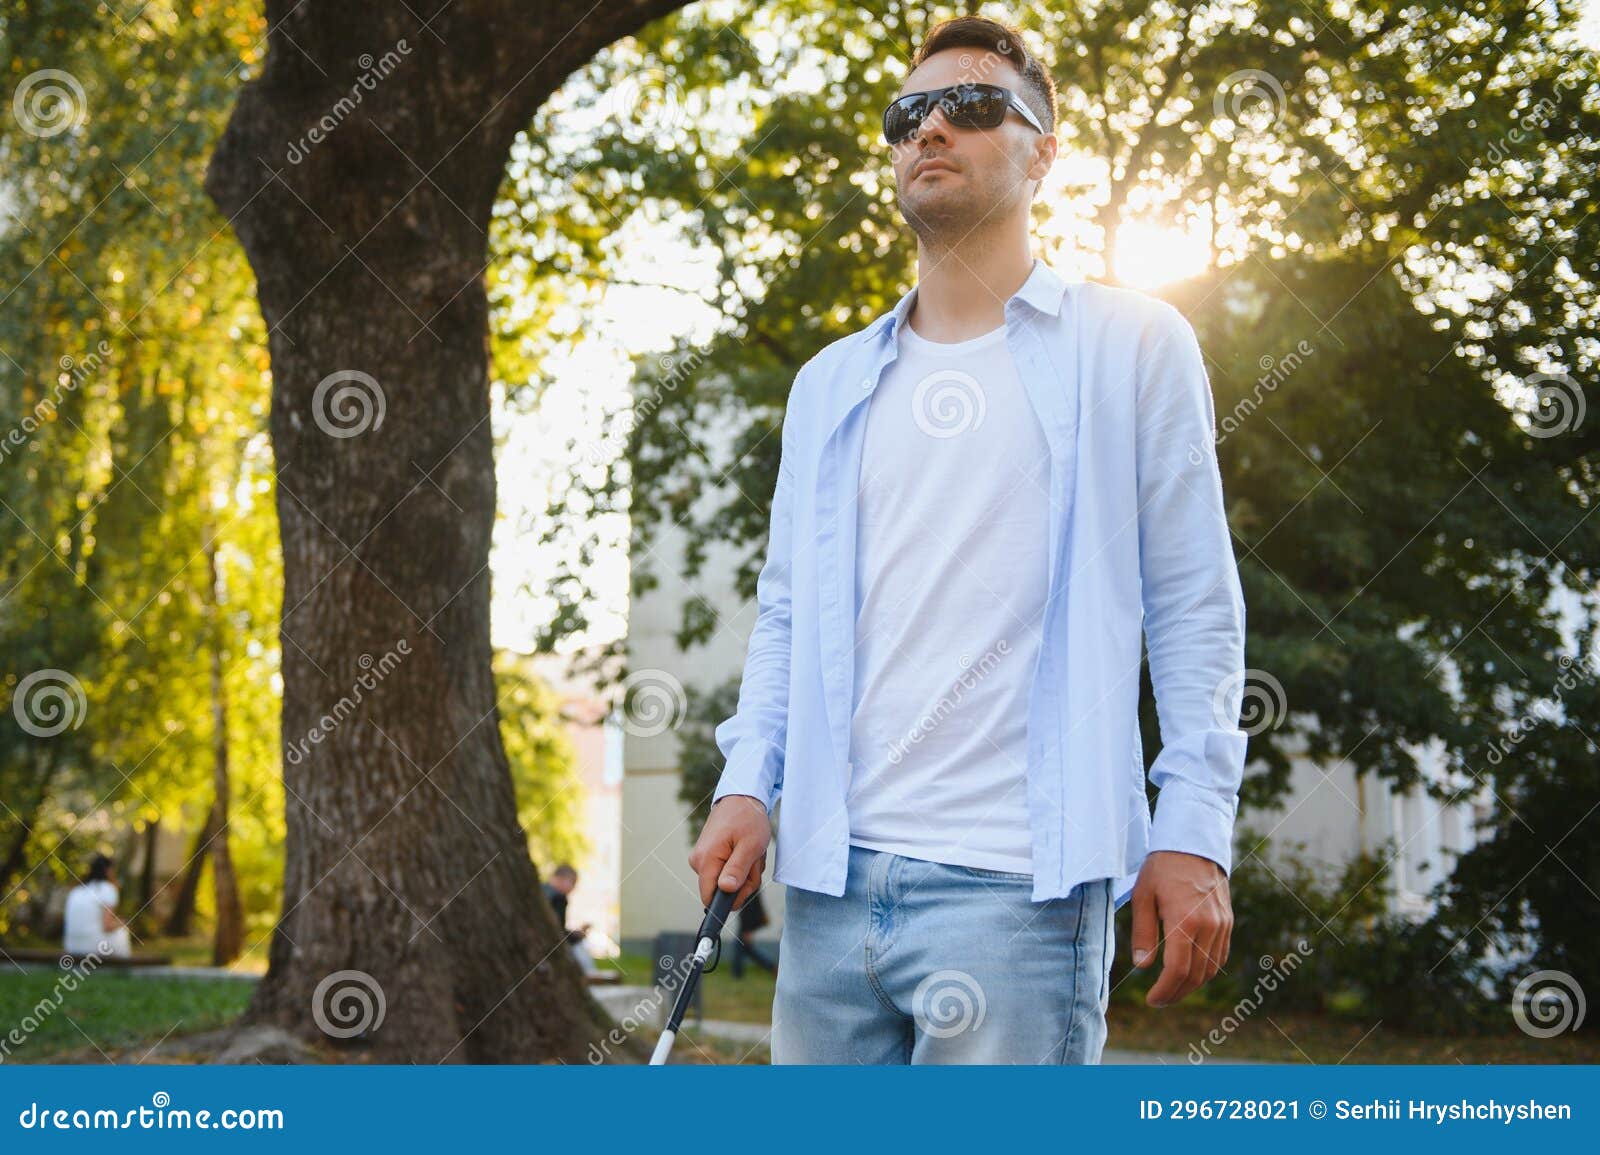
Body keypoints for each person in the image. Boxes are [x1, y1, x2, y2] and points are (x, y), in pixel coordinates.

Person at [688, 15, 1247, 1064]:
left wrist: (1191, 828)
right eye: (909, 116)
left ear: (1043, 153)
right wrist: (745, 783)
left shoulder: (1131, 345)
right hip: (827, 883)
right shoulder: (830, 382)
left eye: (974, 106)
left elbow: (1192, 605)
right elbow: (789, 614)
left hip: (1015, 897)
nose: (931, 128)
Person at [62, 853, 131, 958]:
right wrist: (123, 923)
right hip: (93, 946)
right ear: (108, 870)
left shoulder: (77, 890)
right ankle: (122, 970)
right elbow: (107, 926)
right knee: (122, 932)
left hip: (71, 946)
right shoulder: (108, 889)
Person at [541, 863, 599, 977]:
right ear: (560, 879)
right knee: (582, 953)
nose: (573, 887)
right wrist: (576, 936)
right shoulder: (558, 898)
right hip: (548, 948)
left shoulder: (541, 891)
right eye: (572, 882)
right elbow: (557, 933)